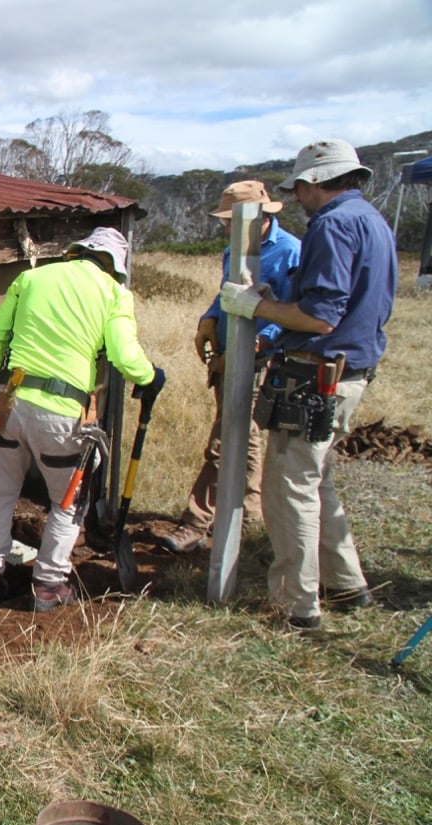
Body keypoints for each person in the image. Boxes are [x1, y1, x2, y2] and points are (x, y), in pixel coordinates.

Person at [221, 139, 396, 630]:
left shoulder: (332, 224)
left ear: (315, 182)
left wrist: (256, 307)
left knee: (288, 487)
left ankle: (296, 605)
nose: (296, 197)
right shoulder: (372, 220)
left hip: (315, 375)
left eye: (298, 187)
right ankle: (346, 583)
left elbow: (320, 317)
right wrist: (275, 303)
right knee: (317, 479)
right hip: (348, 372)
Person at [0, 227, 164, 611]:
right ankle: (48, 585)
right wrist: (150, 378)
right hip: (61, 414)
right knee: (68, 502)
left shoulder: (32, 277)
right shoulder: (114, 293)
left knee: (1, 492)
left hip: (9, 402)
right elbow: (125, 357)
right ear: (114, 266)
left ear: (78, 251)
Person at [162, 181, 301, 553]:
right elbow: (228, 293)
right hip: (228, 359)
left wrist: (251, 346)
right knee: (246, 441)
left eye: (231, 221)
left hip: (259, 362)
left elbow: (292, 312)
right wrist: (208, 319)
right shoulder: (232, 252)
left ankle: (195, 523)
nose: (226, 228)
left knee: (226, 442)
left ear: (260, 217)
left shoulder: (290, 252)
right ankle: (250, 519)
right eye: (225, 221)